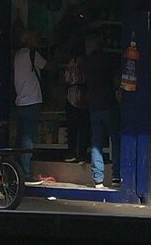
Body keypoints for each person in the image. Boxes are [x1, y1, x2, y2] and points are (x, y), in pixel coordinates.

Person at [83, 33, 120, 189]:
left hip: (94, 105)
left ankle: (98, 179)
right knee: (116, 140)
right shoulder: (108, 59)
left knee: (96, 142)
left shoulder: (87, 62)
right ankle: (116, 176)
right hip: (109, 103)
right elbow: (116, 79)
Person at [13, 30, 46, 186]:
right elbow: (48, 66)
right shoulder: (33, 54)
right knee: (28, 138)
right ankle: (26, 172)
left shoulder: (17, 55)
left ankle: (18, 170)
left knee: (21, 137)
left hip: (20, 101)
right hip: (32, 101)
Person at [63, 41, 89, 163]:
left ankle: (72, 152)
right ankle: (82, 154)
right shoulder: (86, 62)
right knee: (84, 128)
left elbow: (66, 79)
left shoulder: (71, 63)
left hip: (71, 96)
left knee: (72, 127)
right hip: (84, 96)